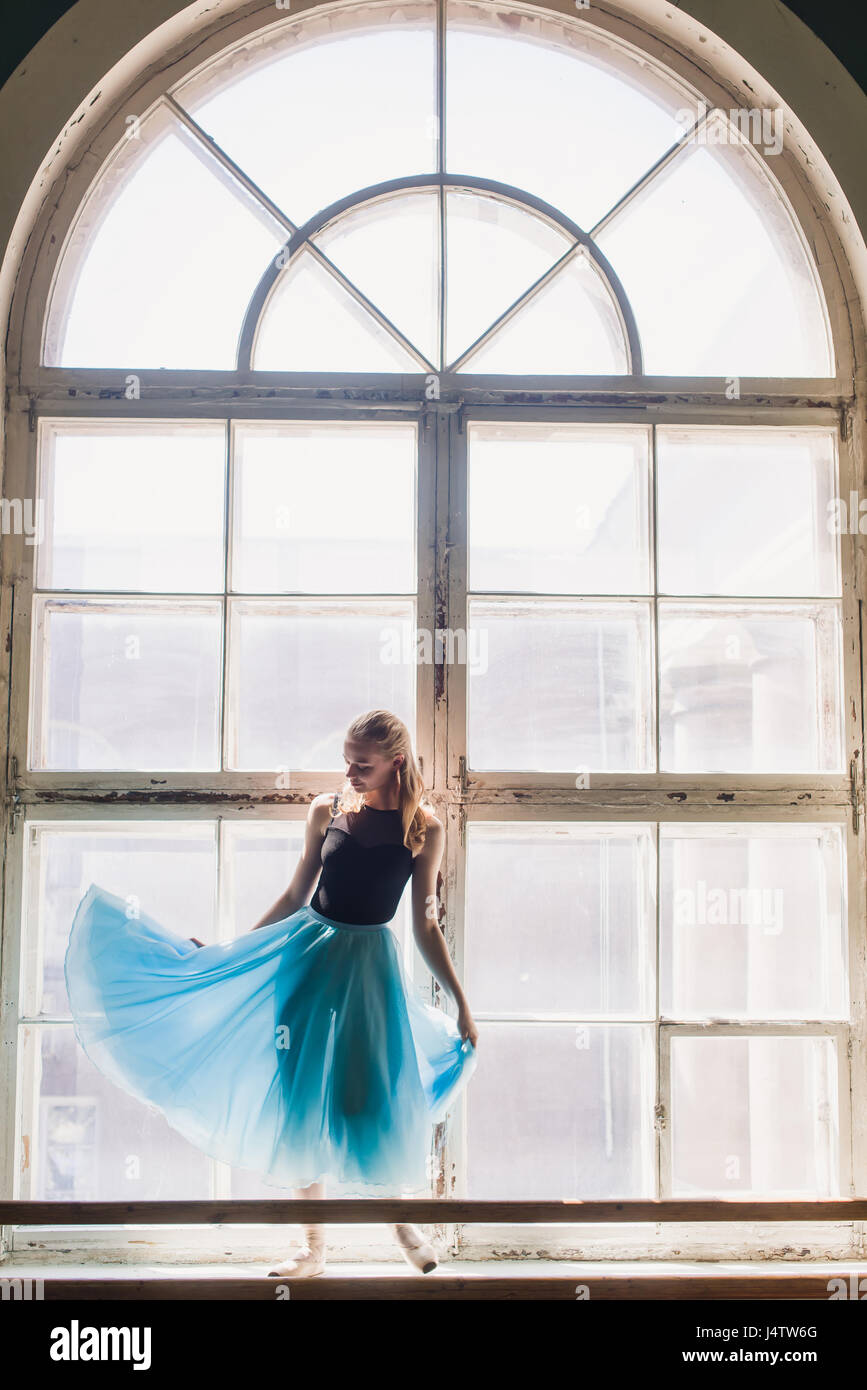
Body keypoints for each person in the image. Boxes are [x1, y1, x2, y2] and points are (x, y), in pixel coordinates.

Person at [64, 708, 479, 1278]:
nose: (351, 773)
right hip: (305, 960)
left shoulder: (423, 829)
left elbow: (425, 924)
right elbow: (293, 896)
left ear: (396, 763)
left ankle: (399, 1220)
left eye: (363, 765)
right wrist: (226, 953)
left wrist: (460, 1003)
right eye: (347, 762)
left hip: (370, 970)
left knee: (369, 1100)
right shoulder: (327, 811)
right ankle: (313, 1249)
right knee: (301, 1101)